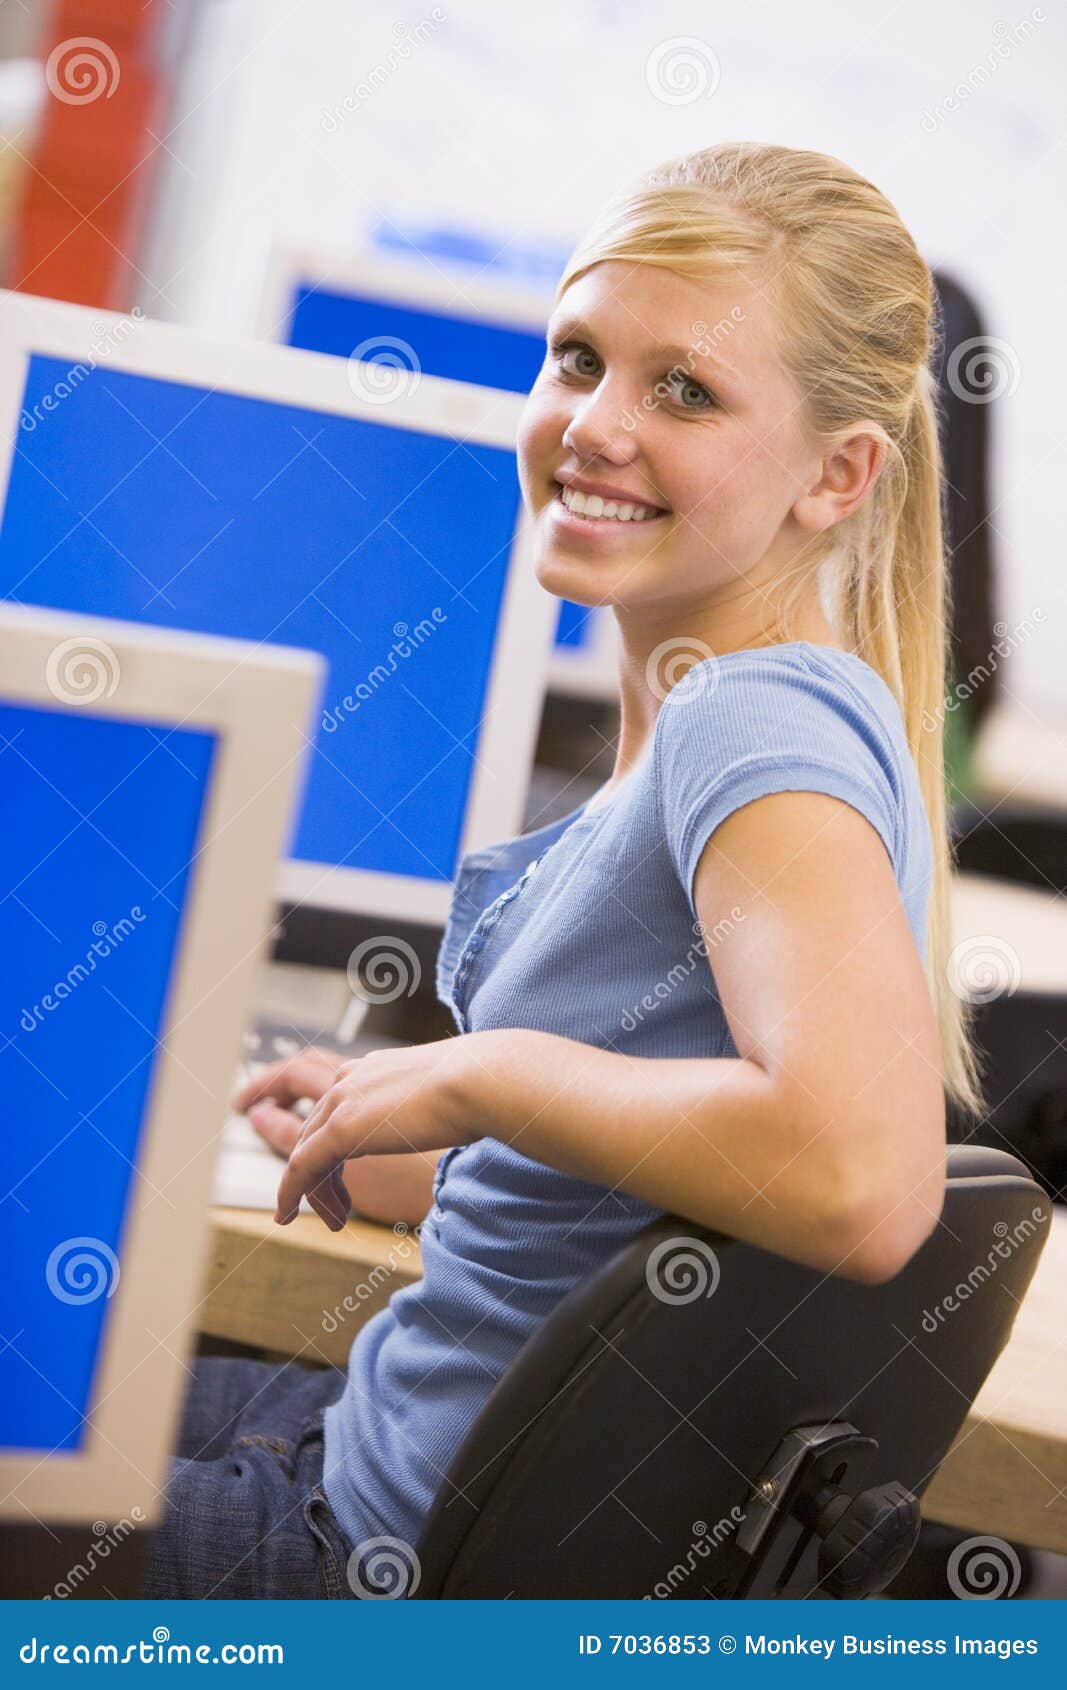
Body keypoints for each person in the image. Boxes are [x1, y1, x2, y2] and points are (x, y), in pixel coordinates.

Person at [142, 140, 984, 1600]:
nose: (593, 423)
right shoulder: (726, 709)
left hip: (367, 1550)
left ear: (838, 474)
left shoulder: (750, 720)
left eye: (686, 391)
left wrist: (485, 1076)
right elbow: (669, 1180)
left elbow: (863, 1181)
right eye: (579, 357)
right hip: (382, 1458)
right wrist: (433, 1152)